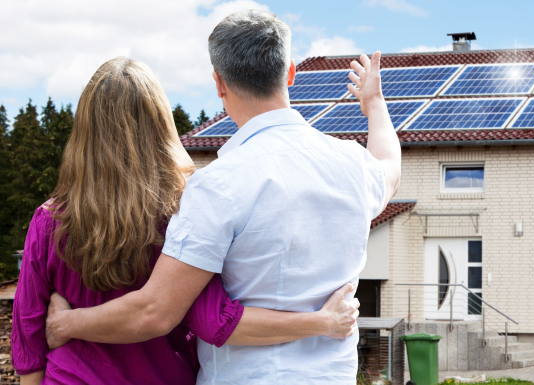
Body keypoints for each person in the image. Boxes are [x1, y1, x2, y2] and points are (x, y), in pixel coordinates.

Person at [45, 9, 400, 383]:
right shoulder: (353, 165)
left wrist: (68, 322)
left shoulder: (218, 185)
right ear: (290, 72)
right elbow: (390, 168)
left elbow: (155, 311)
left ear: (219, 83)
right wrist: (374, 104)